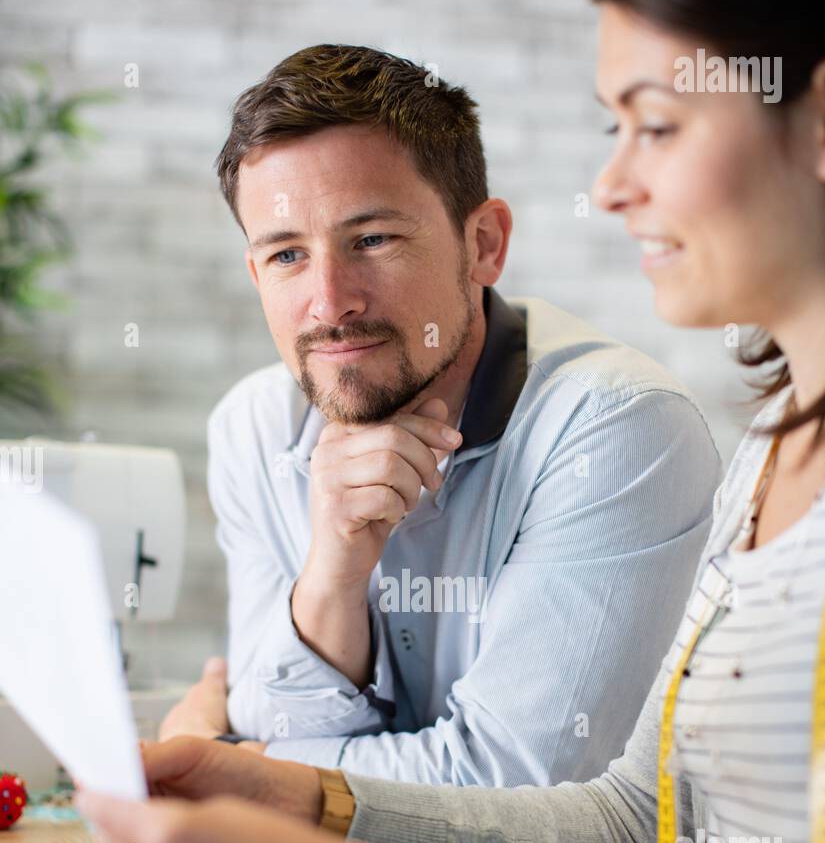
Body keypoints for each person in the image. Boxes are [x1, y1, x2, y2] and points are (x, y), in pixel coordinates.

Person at [79, 0, 825, 843]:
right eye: (285, 253)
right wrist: (287, 793)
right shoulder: (771, 453)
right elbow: (634, 823)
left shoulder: (627, 426)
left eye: (656, 124)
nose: (606, 188)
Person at [158, 43, 719, 788]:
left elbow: (519, 792)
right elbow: (271, 714)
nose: (330, 301)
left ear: (483, 244)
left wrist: (230, 764)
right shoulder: (251, 428)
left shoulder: (619, 429)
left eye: (372, 240)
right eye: (288, 255)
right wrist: (332, 573)